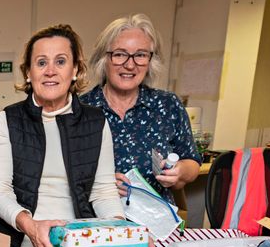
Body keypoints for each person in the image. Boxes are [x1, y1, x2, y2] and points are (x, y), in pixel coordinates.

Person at [0, 24, 122, 247]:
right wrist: (32, 227)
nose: (50, 71)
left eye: (60, 61)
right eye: (41, 63)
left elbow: (103, 192)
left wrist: (123, 234)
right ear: (28, 72)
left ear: (75, 71)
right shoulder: (6, 121)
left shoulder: (96, 122)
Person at [79, 14, 200, 203]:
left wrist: (180, 172)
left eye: (140, 55)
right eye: (119, 54)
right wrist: (98, 184)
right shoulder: (80, 110)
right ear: (104, 59)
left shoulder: (167, 105)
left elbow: (192, 161)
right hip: (97, 225)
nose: (129, 64)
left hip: (157, 225)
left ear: (150, 61)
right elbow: (59, 177)